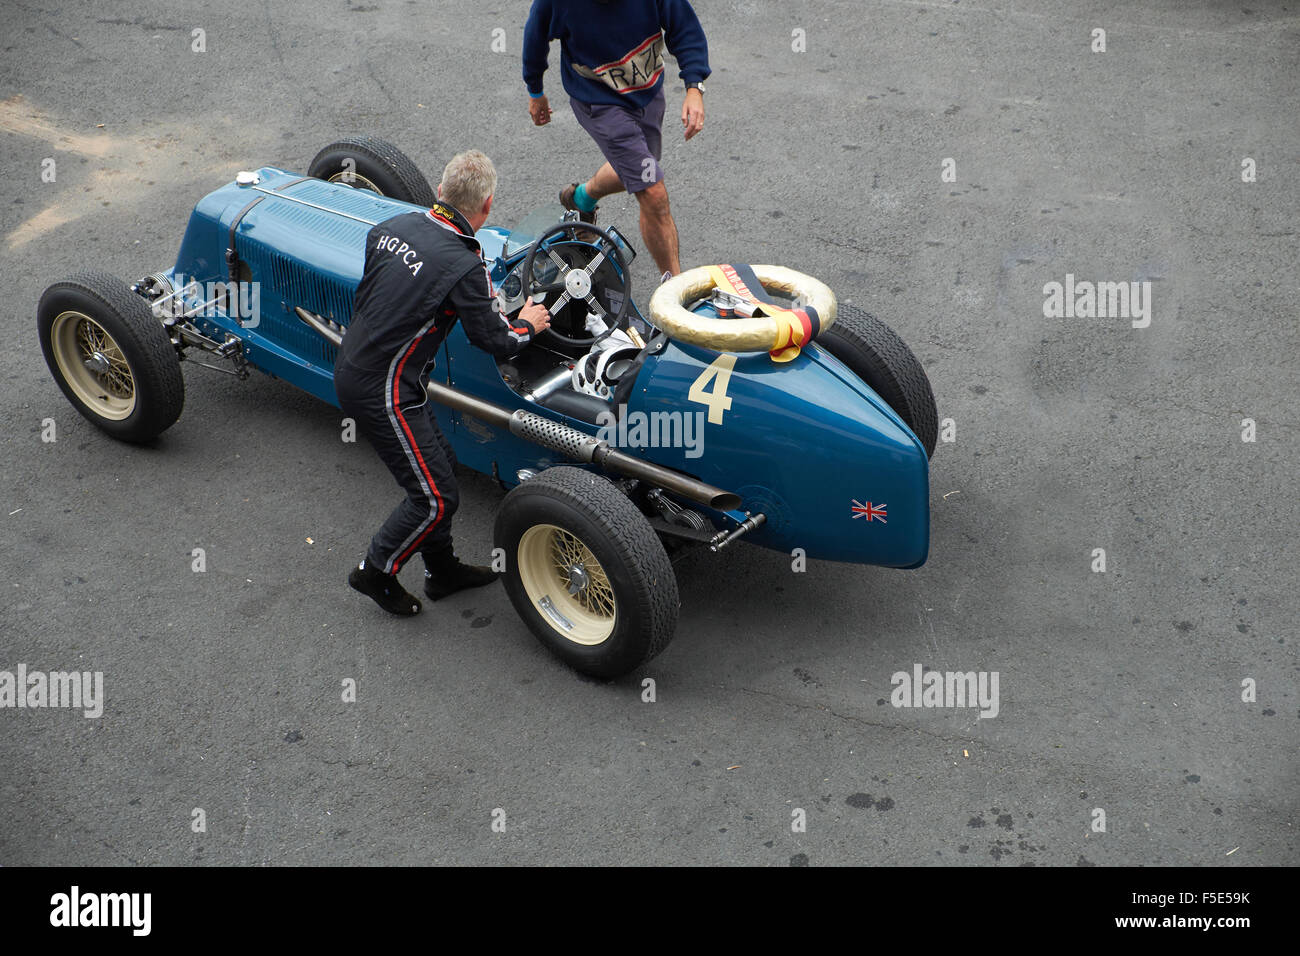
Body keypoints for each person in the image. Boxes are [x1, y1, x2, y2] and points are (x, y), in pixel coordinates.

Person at [335, 150, 551, 616]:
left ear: (439, 190)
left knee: (444, 468)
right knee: (433, 498)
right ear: (487, 206)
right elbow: (496, 340)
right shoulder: (464, 265)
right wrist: (530, 323)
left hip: (365, 369)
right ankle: (375, 571)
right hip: (385, 391)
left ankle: (442, 571)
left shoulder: (391, 228)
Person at [523, 0, 710, 281]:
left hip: (647, 92)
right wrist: (535, 91)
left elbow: (684, 28)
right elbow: (535, 37)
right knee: (652, 191)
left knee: (639, 170)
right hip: (600, 103)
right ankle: (674, 292)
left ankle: (581, 198)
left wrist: (694, 87)